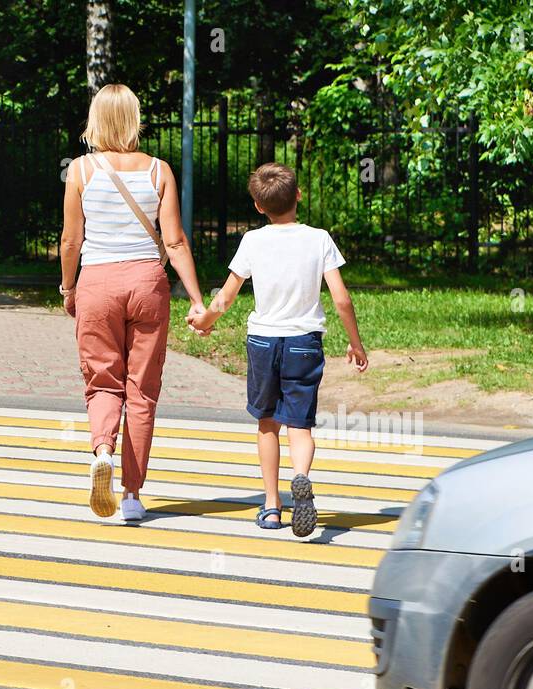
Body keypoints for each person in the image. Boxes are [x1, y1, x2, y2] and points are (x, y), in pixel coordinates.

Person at [187, 162, 368, 537]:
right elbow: (342, 299)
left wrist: (204, 322)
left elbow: (226, 296)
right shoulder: (319, 239)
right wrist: (355, 343)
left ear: (258, 207)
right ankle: (300, 478)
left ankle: (271, 505)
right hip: (304, 342)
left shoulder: (253, 241)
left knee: (267, 423)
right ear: (298, 196)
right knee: (300, 426)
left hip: (263, 343)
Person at [59, 83, 206, 520]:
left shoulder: (81, 172)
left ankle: (101, 450)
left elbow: (71, 239)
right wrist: (197, 300)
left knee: (103, 380)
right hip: (147, 283)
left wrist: (69, 288)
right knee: (142, 390)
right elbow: (175, 242)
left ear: (96, 119)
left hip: (97, 284)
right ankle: (132, 496)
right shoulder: (159, 171)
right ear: (135, 119)